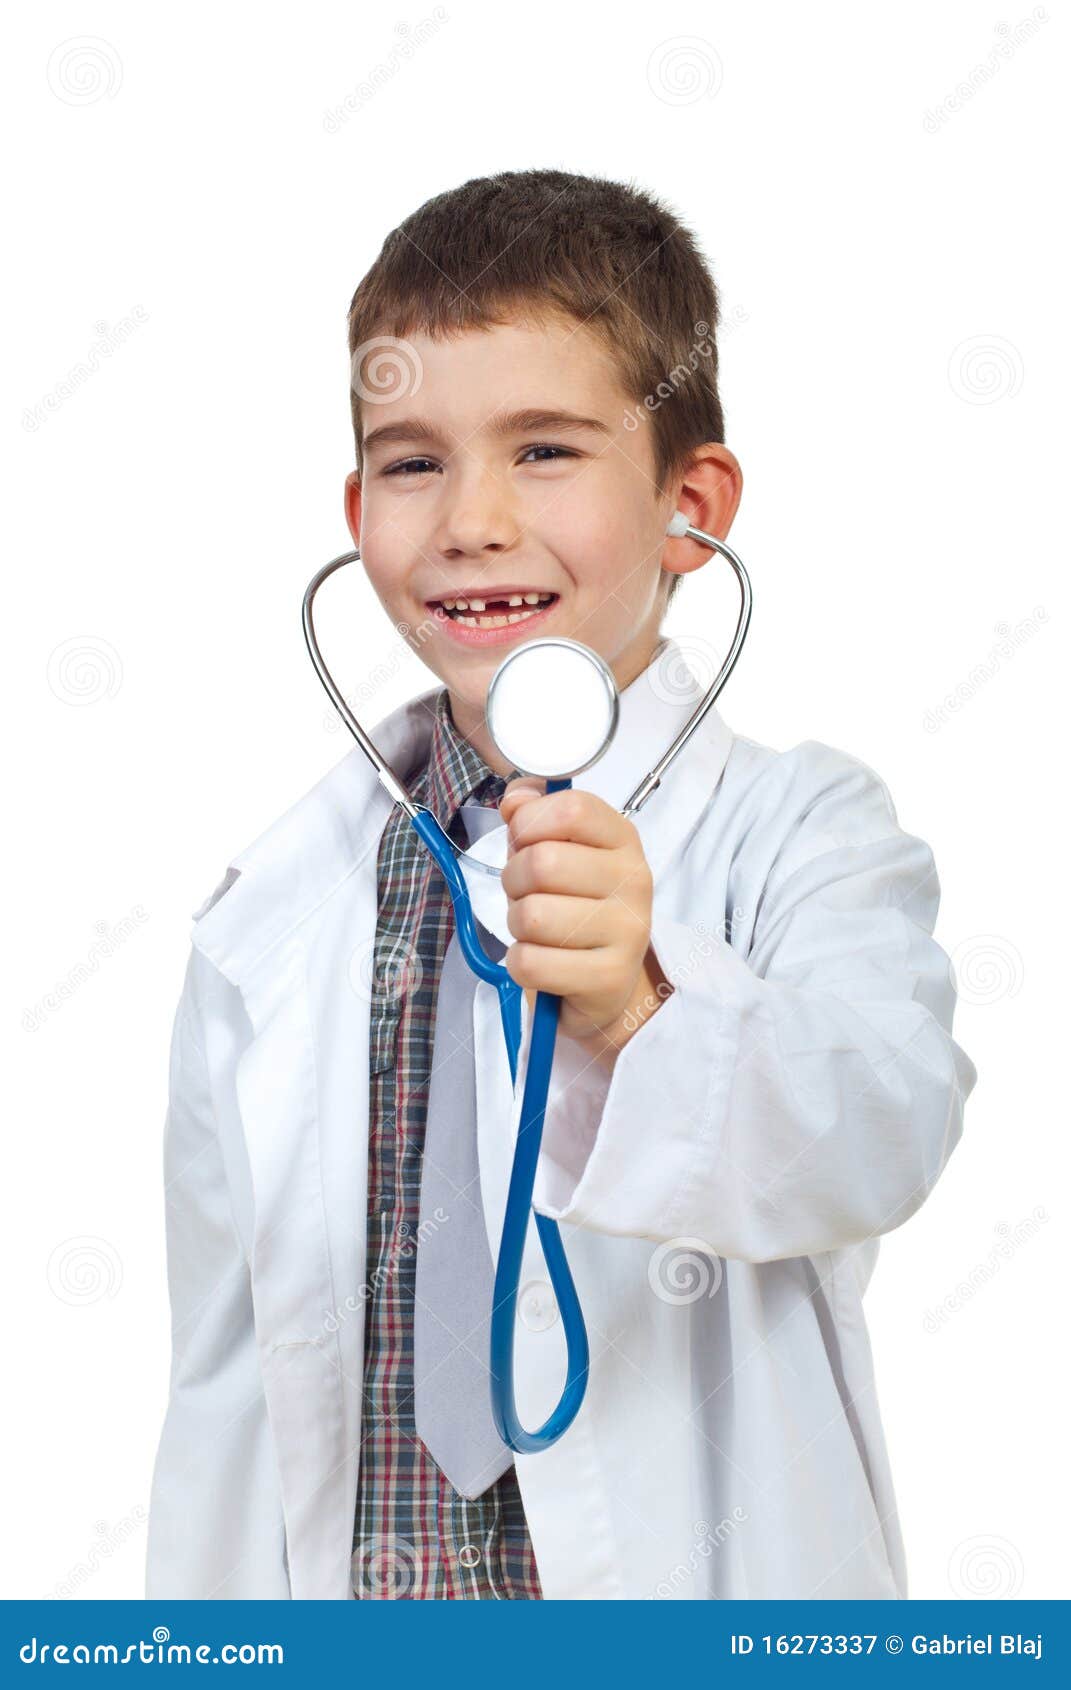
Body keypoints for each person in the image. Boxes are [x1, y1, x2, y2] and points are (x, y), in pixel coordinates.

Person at [146, 168, 977, 1600]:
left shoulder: (804, 831)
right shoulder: (267, 918)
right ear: (357, 509)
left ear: (690, 506)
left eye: (545, 450)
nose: (469, 519)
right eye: (412, 461)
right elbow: (225, 1384)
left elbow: (880, 1128)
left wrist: (649, 1003)